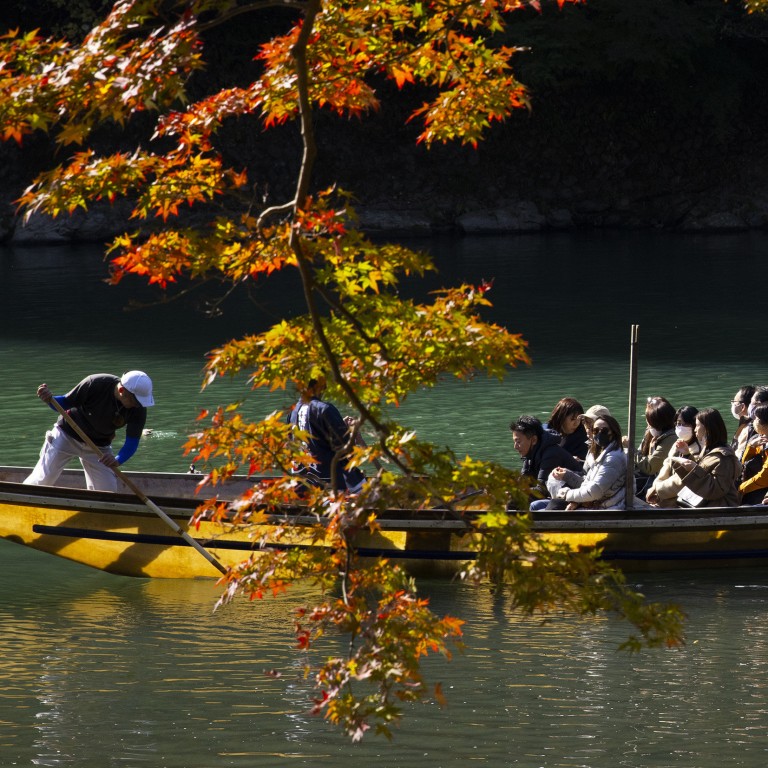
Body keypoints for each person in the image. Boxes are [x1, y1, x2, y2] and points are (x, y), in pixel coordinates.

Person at [24, 371, 154, 492]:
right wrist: (49, 399)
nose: (137, 405)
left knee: (107, 492)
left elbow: (132, 441)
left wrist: (117, 460)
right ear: (121, 390)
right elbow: (64, 402)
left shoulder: (139, 409)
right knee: (42, 481)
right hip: (67, 434)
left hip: (98, 446)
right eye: (134, 401)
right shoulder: (96, 383)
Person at [288, 374, 364, 492]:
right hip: (331, 482)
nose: (325, 388)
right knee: (362, 485)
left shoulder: (292, 412)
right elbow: (346, 451)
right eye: (324, 384)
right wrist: (352, 434)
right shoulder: (325, 409)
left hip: (302, 484)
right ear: (317, 386)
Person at [545, 414, 627, 510]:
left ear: (613, 432)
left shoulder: (613, 458)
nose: (599, 434)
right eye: (595, 431)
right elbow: (587, 483)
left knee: (553, 506)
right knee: (542, 505)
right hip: (594, 502)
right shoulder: (600, 454)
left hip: (606, 507)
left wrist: (566, 494)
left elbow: (594, 491)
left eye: (604, 431)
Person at [669, 407, 740, 507]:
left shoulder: (724, 457)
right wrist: (686, 454)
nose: (695, 429)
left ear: (707, 428)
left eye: (697, 425)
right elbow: (703, 470)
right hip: (707, 505)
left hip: (720, 508)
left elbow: (717, 490)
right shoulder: (708, 449)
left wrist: (693, 468)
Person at [510, 415, 581, 504]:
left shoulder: (551, 454)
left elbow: (541, 490)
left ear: (534, 440)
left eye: (518, 442)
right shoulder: (529, 454)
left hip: (571, 498)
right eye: (514, 442)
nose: (515, 446)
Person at [646, 405, 701, 507]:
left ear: (693, 425)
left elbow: (680, 481)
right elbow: (666, 468)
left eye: (683, 424)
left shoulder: (698, 450)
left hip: (681, 502)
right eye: (677, 424)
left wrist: (657, 489)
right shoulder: (677, 444)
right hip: (663, 497)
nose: (679, 427)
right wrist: (655, 486)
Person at [634, 396, 677, 498]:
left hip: (657, 485)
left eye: (648, 419)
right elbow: (641, 453)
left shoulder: (671, 438)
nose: (647, 422)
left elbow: (650, 467)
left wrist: (631, 449)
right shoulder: (651, 432)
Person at [738, 404, 768, 505]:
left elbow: (764, 477)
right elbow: (743, 461)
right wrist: (751, 447)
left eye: (757, 419)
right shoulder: (761, 440)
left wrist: (740, 489)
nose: (754, 422)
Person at [543, 397, 588, 463]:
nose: (576, 424)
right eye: (572, 419)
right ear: (561, 417)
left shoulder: (584, 437)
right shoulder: (544, 433)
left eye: (579, 419)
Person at [729, 384, 756, 457]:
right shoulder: (746, 423)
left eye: (734, 402)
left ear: (742, 407)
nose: (732, 404)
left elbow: (739, 457)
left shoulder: (749, 429)